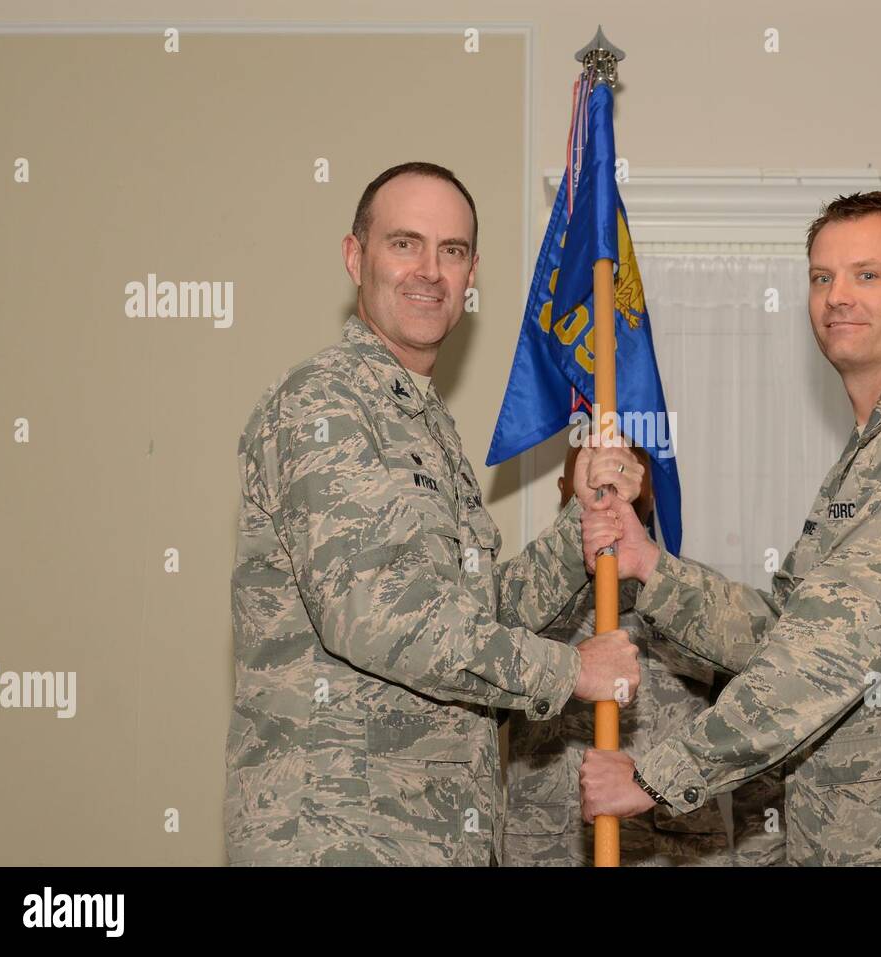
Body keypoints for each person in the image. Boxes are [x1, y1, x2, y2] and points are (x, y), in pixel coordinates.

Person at [579, 191, 881, 866]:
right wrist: (651, 566)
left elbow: (834, 645)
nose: (838, 296)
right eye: (821, 277)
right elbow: (784, 630)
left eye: (868, 275)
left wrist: (657, 774)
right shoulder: (875, 449)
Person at [226, 161, 643, 866]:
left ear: (472, 273)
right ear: (355, 256)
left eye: (451, 251)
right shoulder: (327, 404)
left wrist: (582, 534)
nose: (430, 270)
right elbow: (373, 614)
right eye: (404, 243)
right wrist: (569, 670)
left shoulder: (425, 424)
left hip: (433, 838)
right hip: (340, 835)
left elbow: (473, 617)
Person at [504, 442, 730, 866]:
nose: (611, 497)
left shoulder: (700, 601)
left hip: (672, 852)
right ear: (563, 491)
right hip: (549, 850)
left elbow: (753, 730)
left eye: (625, 482)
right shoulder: (524, 597)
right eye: (594, 485)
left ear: (649, 495)